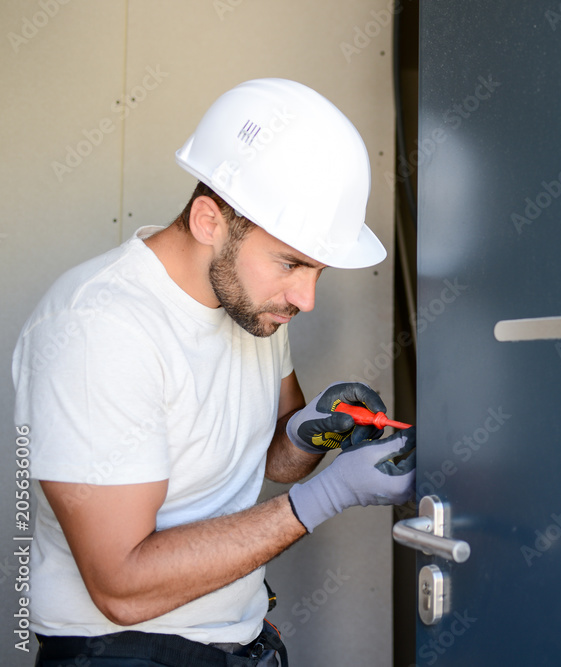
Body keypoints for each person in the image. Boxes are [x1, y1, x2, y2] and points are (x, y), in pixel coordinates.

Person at [11, 78, 415, 666]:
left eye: (319, 271)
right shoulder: (98, 330)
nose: (306, 299)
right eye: (291, 263)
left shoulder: (254, 309)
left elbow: (273, 459)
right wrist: (327, 495)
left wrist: (314, 429)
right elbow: (120, 586)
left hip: (237, 638)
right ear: (209, 220)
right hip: (119, 653)